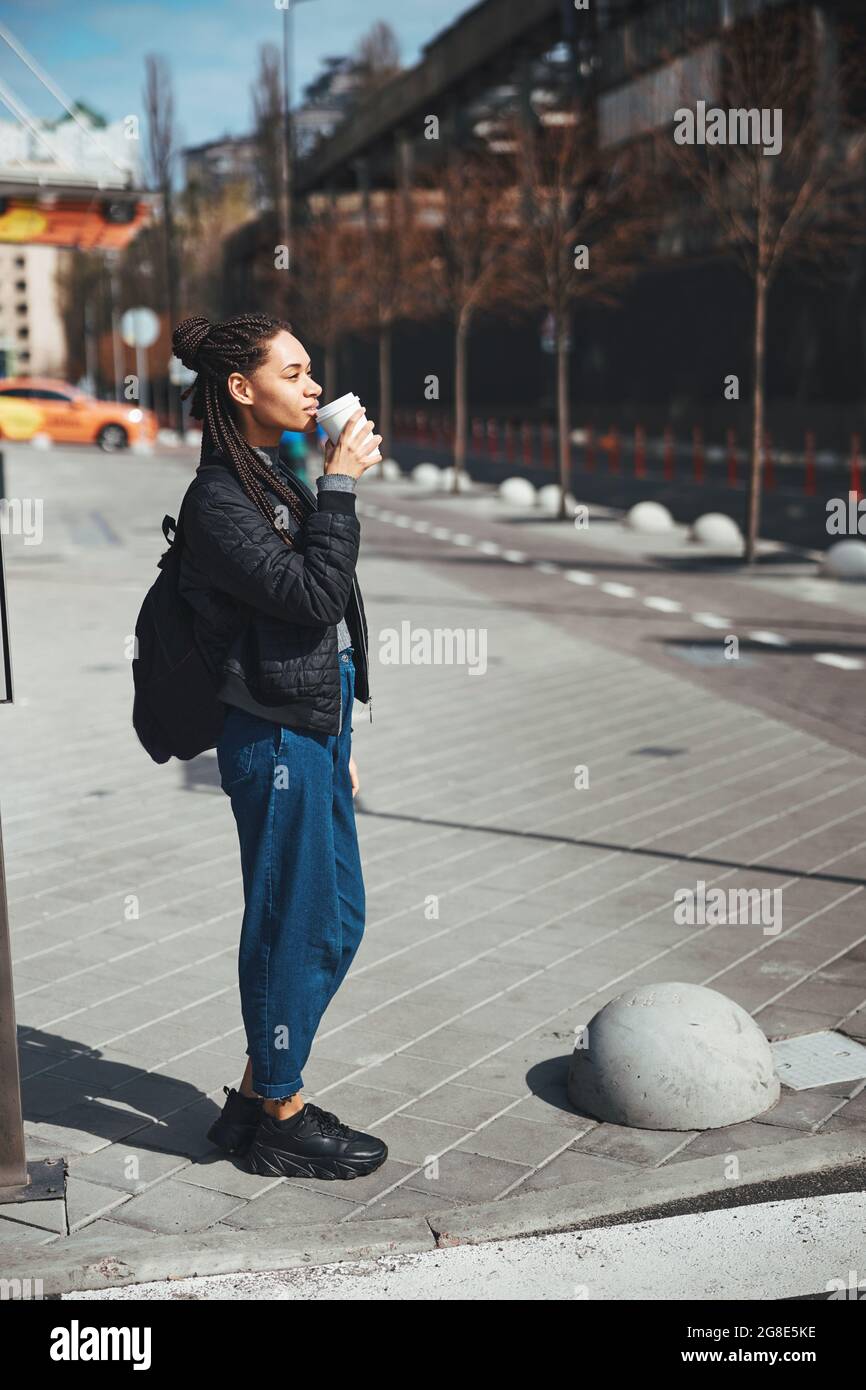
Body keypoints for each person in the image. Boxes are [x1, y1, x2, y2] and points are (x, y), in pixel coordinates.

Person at [172, 312, 386, 1181]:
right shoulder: (219, 497)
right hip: (273, 736)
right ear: (240, 388)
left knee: (335, 919)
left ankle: (259, 1099)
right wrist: (340, 485)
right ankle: (281, 1118)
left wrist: (341, 727)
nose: (310, 386)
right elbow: (309, 595)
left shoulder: (266, 473)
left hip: (311, 727)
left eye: (310, 373)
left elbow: (318, 614)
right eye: (293, 372)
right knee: (290, 925)